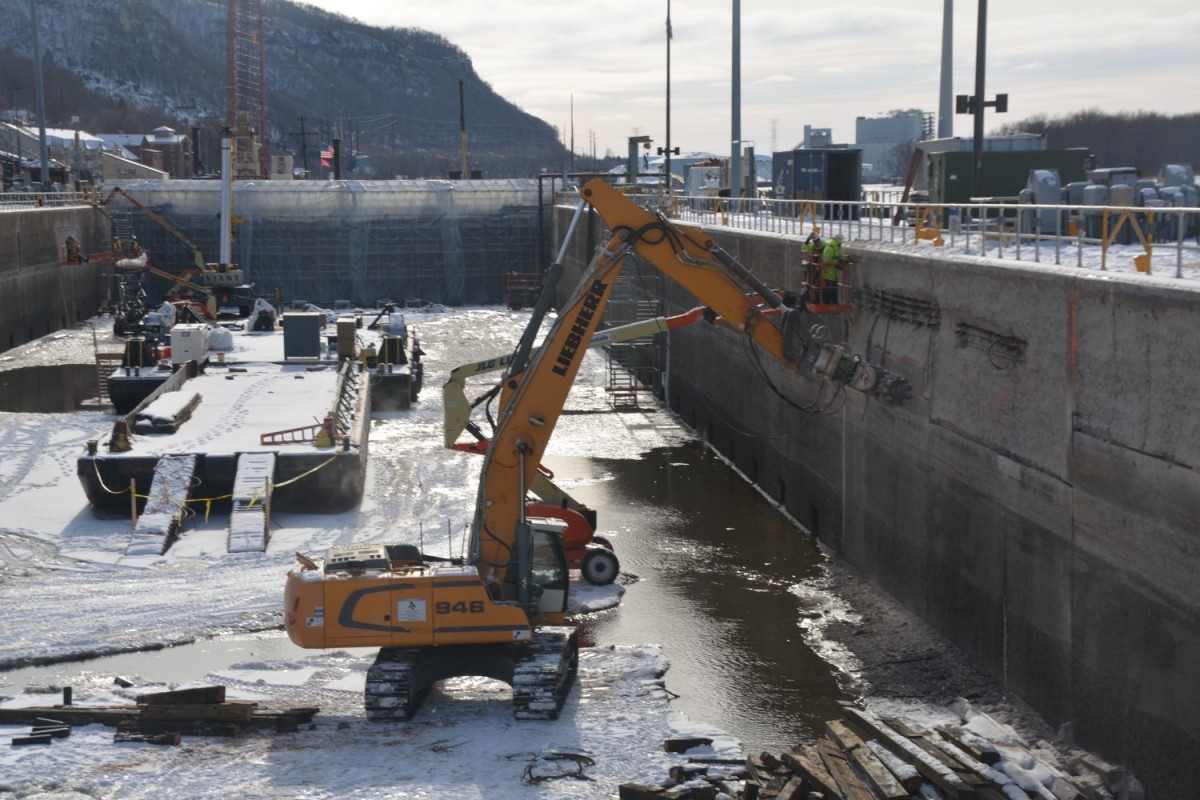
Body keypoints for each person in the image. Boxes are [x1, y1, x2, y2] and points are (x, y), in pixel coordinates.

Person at [819, 237, 843, 305]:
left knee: (834, 290)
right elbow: (826, 261)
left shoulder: (832, 248)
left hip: (832, 275)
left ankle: (834, 303)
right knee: (828, 290)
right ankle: (826, 303)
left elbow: (837, 256)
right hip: (828, 274)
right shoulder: (831, 248)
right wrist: (836, 262)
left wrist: (845, 256)